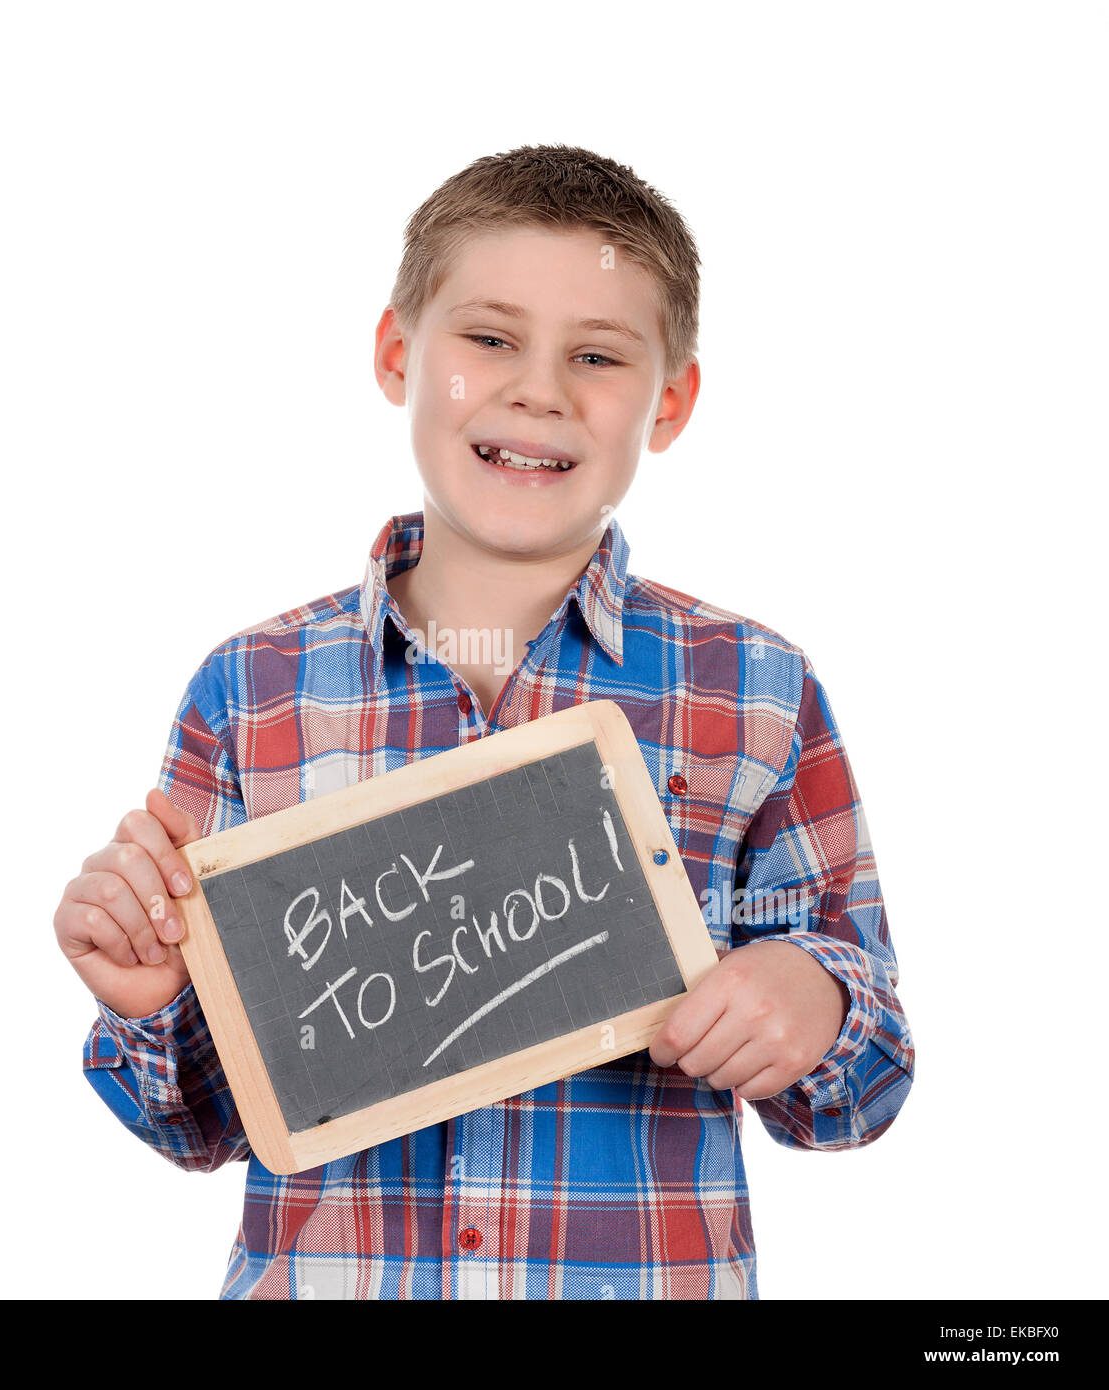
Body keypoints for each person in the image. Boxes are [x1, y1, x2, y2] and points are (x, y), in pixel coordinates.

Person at [54, 144, 914, 1300]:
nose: (539, 389)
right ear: (398, 353)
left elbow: (865, 1083)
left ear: (669, 403)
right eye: (490, 338)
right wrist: (154, 1000)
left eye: (596, 355)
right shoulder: (248, 692)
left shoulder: (752, 690)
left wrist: (815, 1002)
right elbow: (199, 1125)